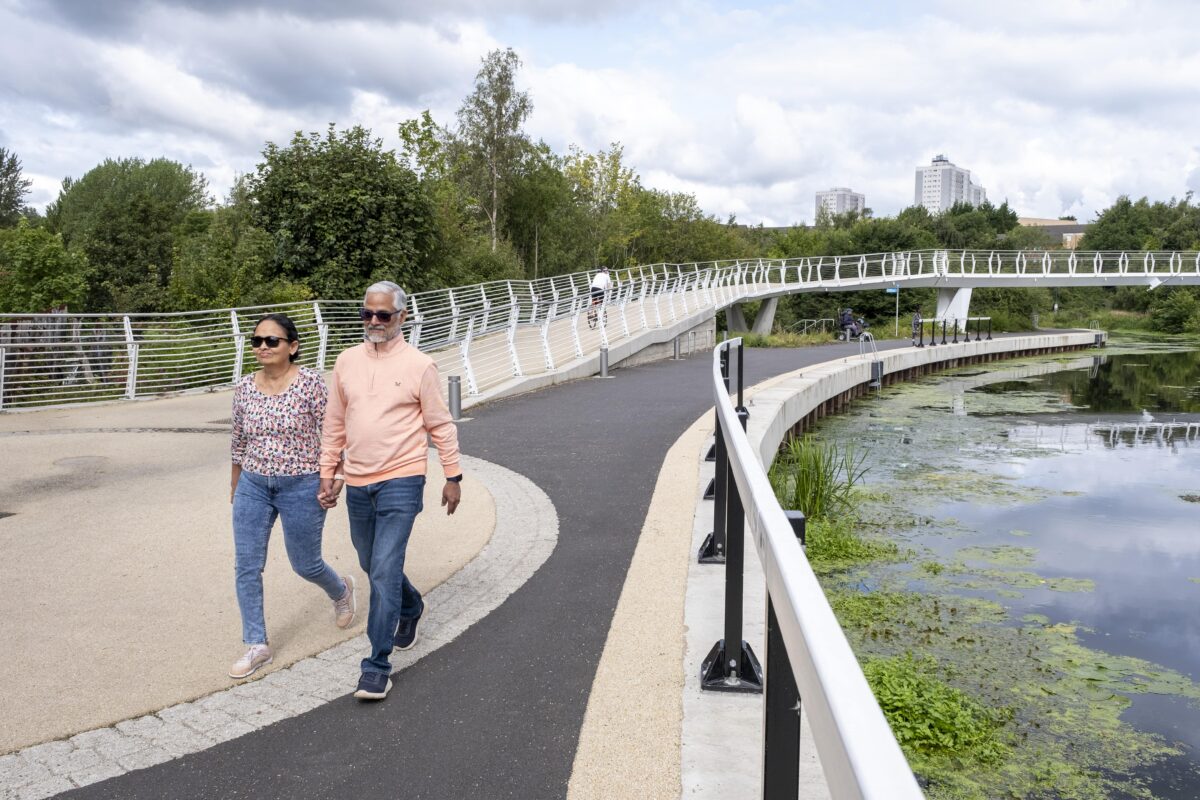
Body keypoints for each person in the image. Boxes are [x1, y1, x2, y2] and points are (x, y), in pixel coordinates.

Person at [318, 281, 462, 701]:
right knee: (370, 561)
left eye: (384, 315)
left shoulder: (420, 365)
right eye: (368, 314)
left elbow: (440, 424)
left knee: (382, 568)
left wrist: (452, 476)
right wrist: (329, 472)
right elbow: (334, 423)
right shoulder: (345, 362)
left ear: (402, 317)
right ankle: (411, 606)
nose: (374, 322)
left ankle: (376, 665)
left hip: (403, 477)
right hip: (358, 481)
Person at [228, 313, 357, 680]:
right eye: (257, 341)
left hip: (302, 484)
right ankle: (257, 644)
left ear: (293, 346)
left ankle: (341, 589)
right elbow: (238, 442)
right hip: (253, 485)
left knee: (306, 564)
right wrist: (235, 485)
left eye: (272, 341)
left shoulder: (311, 384)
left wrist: (336, 475)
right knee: (246, 565)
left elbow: (334, 433)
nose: (263, 347)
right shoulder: (244, 388)